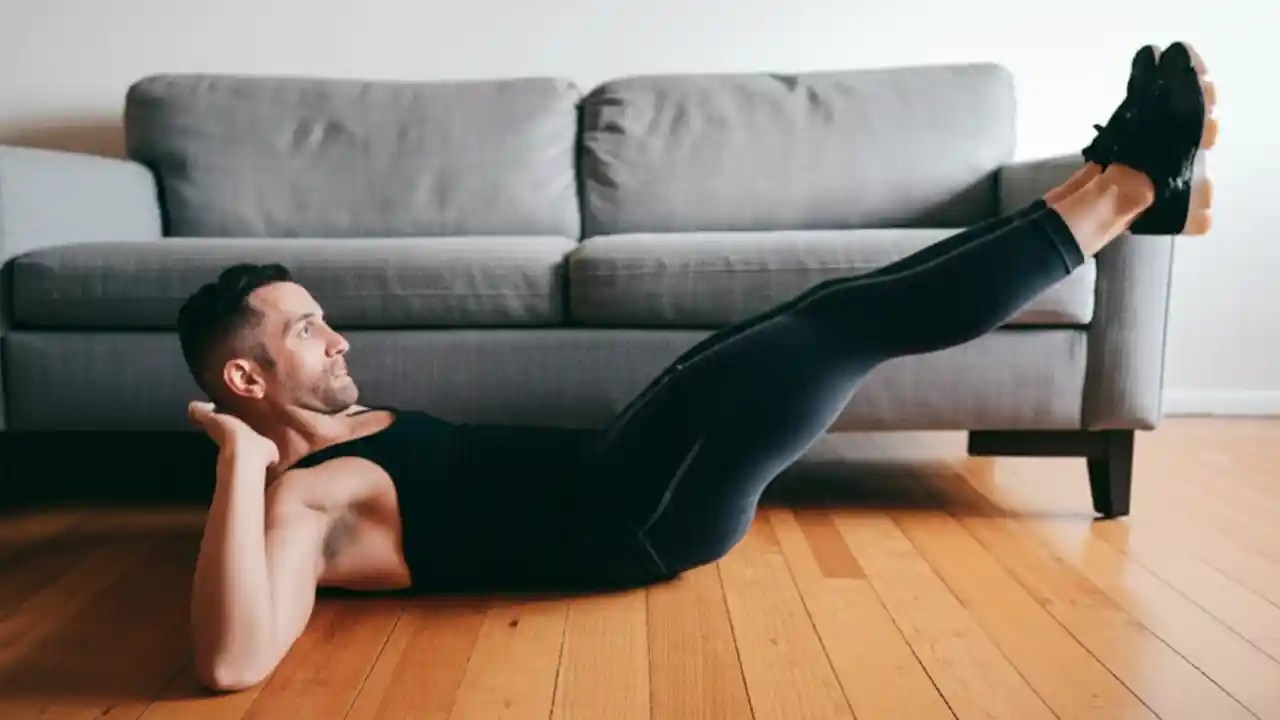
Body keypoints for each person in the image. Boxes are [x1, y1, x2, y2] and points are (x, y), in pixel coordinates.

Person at [181, 41, 1214, 691]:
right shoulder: (300, 505)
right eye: (307, 331)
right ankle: (1125, 189)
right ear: (245, 382)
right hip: (638, 515)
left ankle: (1108, 180)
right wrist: (238, 463)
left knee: (824, 310)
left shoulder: (344, 446)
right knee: (841, 330)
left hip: (628, 464)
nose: (339, 338)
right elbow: (230, 664)